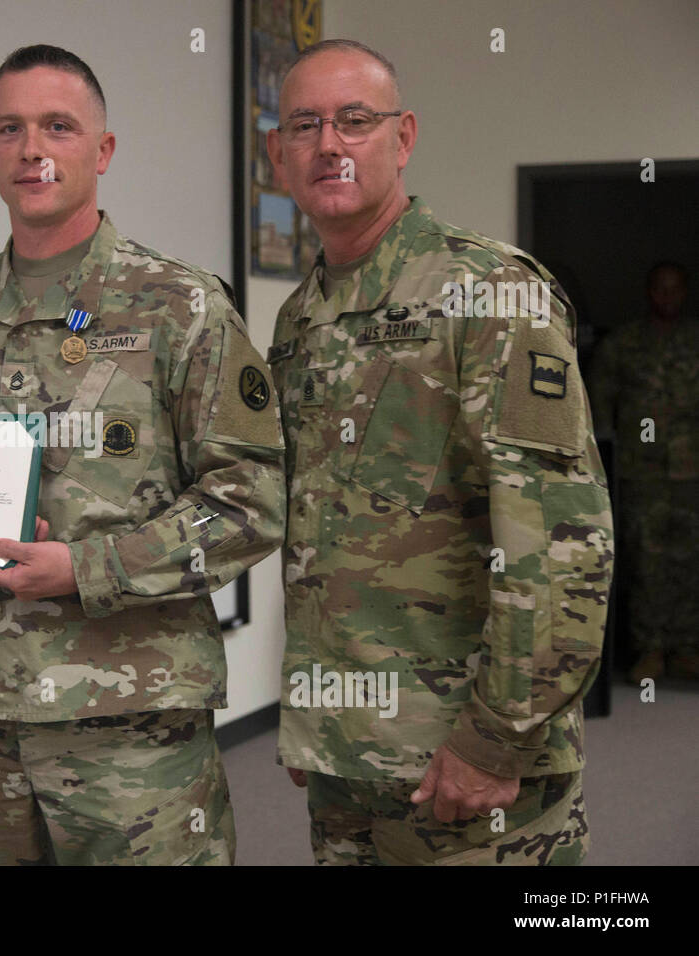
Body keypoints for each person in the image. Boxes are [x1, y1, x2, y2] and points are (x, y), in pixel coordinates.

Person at [0, 45, 285, 865]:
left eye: (58, 126)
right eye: (11, 128)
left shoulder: (182, 308)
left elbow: (253, 500)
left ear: (100, 152)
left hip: (131, 735)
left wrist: (86, 567)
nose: (33, 148)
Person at [263, 39, 613, 864]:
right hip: (349, 751)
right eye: (304, 125)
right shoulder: (301, 317)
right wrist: (322, 715)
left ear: (404, 137)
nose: (329, 144)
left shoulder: (491, 292)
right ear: (278, 155)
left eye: (356, 120)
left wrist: (499, 738)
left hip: (473, 760)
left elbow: (564, 546)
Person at [590, 261, 699, 682]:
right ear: (649, 292)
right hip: (641, 470)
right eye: (660, 290)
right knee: (645, 561)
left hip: (692, 471)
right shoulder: (623, 343)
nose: (666, 298)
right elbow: (601, 404)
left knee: (689, 561)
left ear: (685, 292)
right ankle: (650, 648)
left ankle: (687, 647)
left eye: (674, 290)